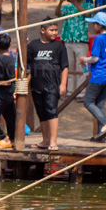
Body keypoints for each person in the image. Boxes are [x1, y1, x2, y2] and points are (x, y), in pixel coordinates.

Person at [26, 21, 69, 151]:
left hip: (52, 85)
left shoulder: (59, 46)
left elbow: (65, 67)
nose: (55, 33)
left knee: (51, 110)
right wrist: (24, 45)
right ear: (42, 30)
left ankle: (53, 142)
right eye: (52, 30)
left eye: (56, 30)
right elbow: (24, 61)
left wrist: (63, 84)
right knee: (41, 113)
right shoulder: (33, 45)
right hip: (36, 85)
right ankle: (45, 141)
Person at [80, 12, 106, 141]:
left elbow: (94, 59)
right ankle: (101, 135)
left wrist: (84, 59)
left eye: (94, 24)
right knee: (100, 103)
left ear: (100, 25)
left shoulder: (99, 39)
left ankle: (105, 124)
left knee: (88, 101)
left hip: (99, 76)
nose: (93, 26)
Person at [55, 0, 89, 78]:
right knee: (69, 69)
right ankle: (70, 92)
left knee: (82, 69)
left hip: (81, 42)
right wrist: (60, 2)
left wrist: (74, 2)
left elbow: (87, 13)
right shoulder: (68, 7)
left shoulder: (88, 5)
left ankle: (81, 92)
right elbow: (57, 13)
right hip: (68, 41)